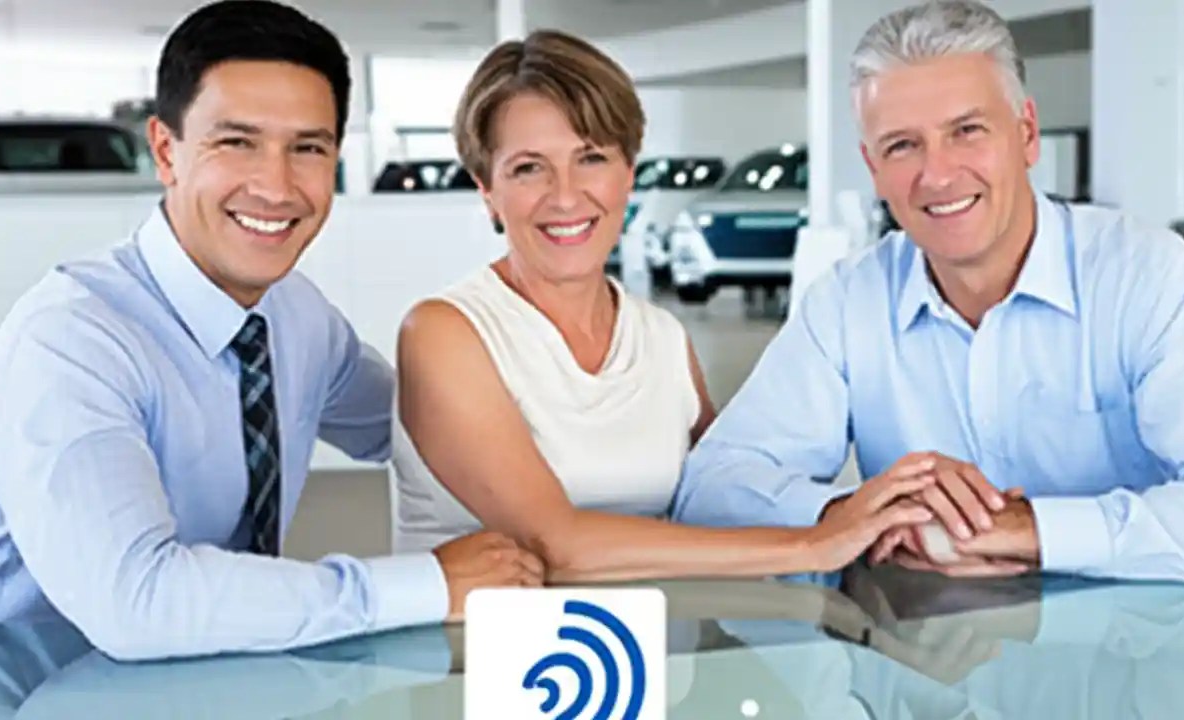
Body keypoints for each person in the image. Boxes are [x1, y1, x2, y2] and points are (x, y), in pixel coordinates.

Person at [0, 0, 541, 661]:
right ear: (166, 150)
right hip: (28, 685)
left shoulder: (295, 315)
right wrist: (429, 584)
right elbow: (136, 604)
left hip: (211, 678)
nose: (276, 186)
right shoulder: (72, 342)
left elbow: (424, 428)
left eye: (307, 148)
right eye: (236, 142)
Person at [672, 0, 1184, 581]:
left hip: (1135, 652)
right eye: (902, 145)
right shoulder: (848, 301)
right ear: (872, 167)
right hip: (925, 657)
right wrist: (855, 513)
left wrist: (1028, 529)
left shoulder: (1148, 276)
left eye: (967, 131)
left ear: (1026, 135)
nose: (939, 174)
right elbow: (711, 489)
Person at [391, 29, 937, 582]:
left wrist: (881, 516)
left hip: (653, 660)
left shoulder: (661, 337)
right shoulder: (444, 334)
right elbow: (557, 544)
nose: (565, 194)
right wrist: (814, 544)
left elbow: (724, 493)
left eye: (591, 158)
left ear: (628, 174)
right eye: (529, 167)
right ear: (487, 190)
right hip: (477, 663)